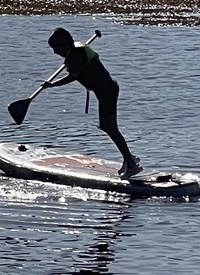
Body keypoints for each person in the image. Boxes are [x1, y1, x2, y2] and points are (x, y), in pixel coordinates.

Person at [42, 26, 141, 176]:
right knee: (107, 127)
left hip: (107, 92)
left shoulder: (75, 56)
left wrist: (52, 85)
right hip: (106, 91)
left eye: (56, 48)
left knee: (110, 128)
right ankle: (129, 158)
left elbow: (73, 77)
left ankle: (131, 163)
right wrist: (68, 63)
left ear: (64, 45)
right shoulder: (74, 53)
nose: (55, 52)